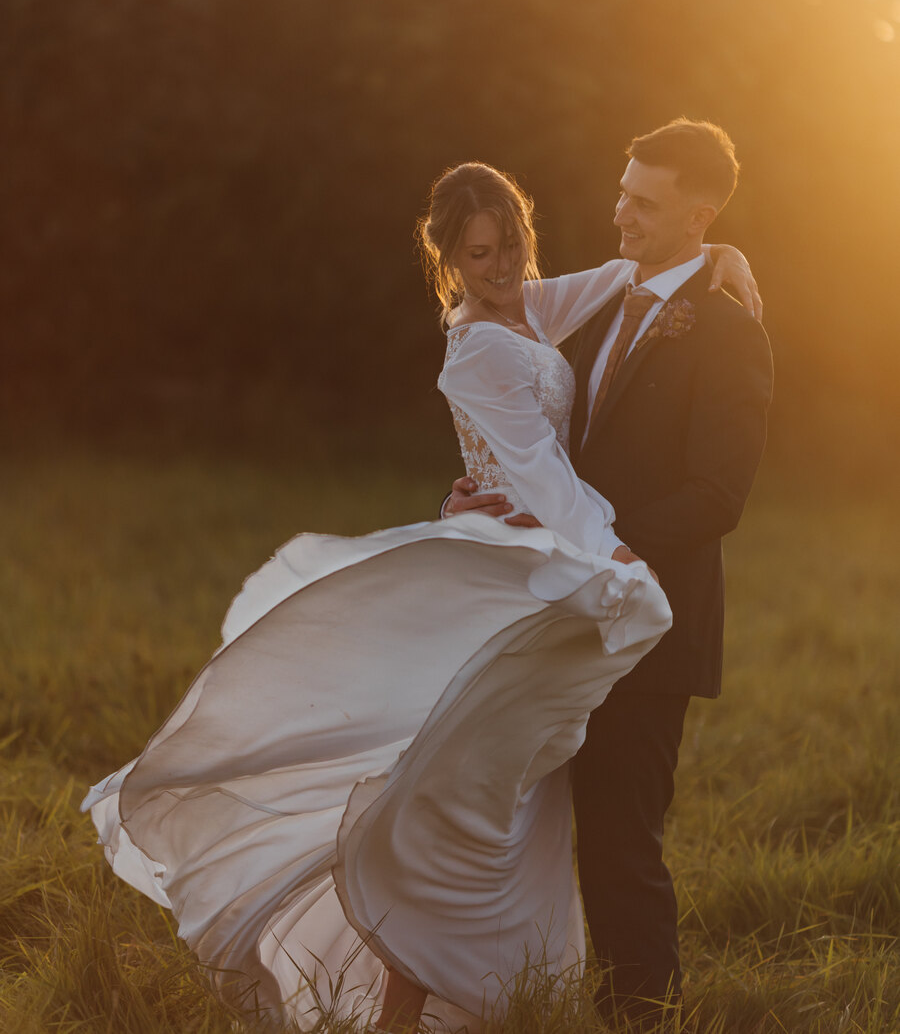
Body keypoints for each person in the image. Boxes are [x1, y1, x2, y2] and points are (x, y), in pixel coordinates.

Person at [82, 155, 757, 1034]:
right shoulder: (477, 342)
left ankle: (487, 987)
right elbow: (545, 476)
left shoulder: (531, 302)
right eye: (478, 255)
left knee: (501, 798)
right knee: (454, 792)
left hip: (540, 571)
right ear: (449, 260)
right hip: (519, 569)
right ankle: (399, 1001)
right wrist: (619, 552)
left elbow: (625, 276)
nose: (501, 265)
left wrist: (723, 253)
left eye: (510, 242)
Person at [445, 120, 774, 1030]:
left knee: (624, 843)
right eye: (623, 191)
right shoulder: (592, 304)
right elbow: (534, 430)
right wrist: (476, 491)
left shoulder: (727, 330)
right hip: (560, 608)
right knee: (543, 829)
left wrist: (608, 545)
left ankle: (646, 1014)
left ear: (696, 216)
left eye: (644, 202)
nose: (619, 213)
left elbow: (717, 496)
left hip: (646, 614)